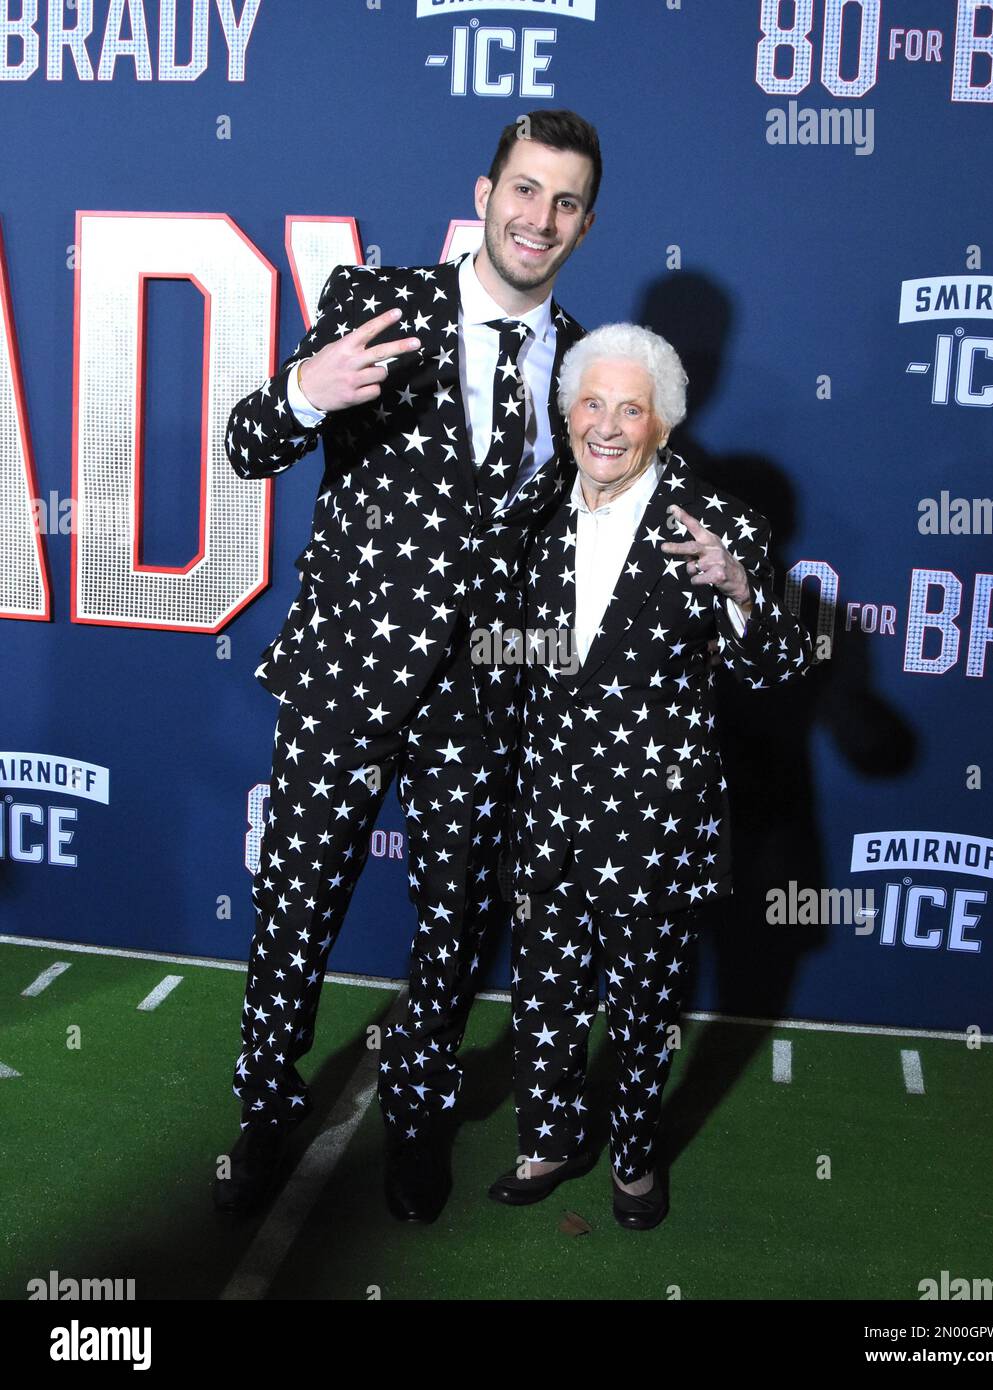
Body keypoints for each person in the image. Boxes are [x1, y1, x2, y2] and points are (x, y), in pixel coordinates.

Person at [214, 110, 601, 1223]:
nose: (541, 217)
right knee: (293, 906)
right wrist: (304, 393)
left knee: (454, 919)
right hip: (346, 674)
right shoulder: (376, 304)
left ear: (586, 222)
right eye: (525, 190)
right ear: (485, 192)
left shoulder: (584, 364)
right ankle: (266, 1107)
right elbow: (249, 446)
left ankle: (422, 1115)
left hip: (480, 698)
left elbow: (571, 545)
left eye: (566, 200)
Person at [489, 324, 813, 1228]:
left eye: (630, 408)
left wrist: (741, 591)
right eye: (591, 403)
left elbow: (779, 668)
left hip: (654, 819)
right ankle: (548, 1138)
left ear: (662, 424)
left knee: (643, 1002)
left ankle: (635, 1159)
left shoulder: (719, 525)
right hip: (549, 805)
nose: (606, 425)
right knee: (546, 991)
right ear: (567, 413)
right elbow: (510, 655)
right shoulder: (532, 511)